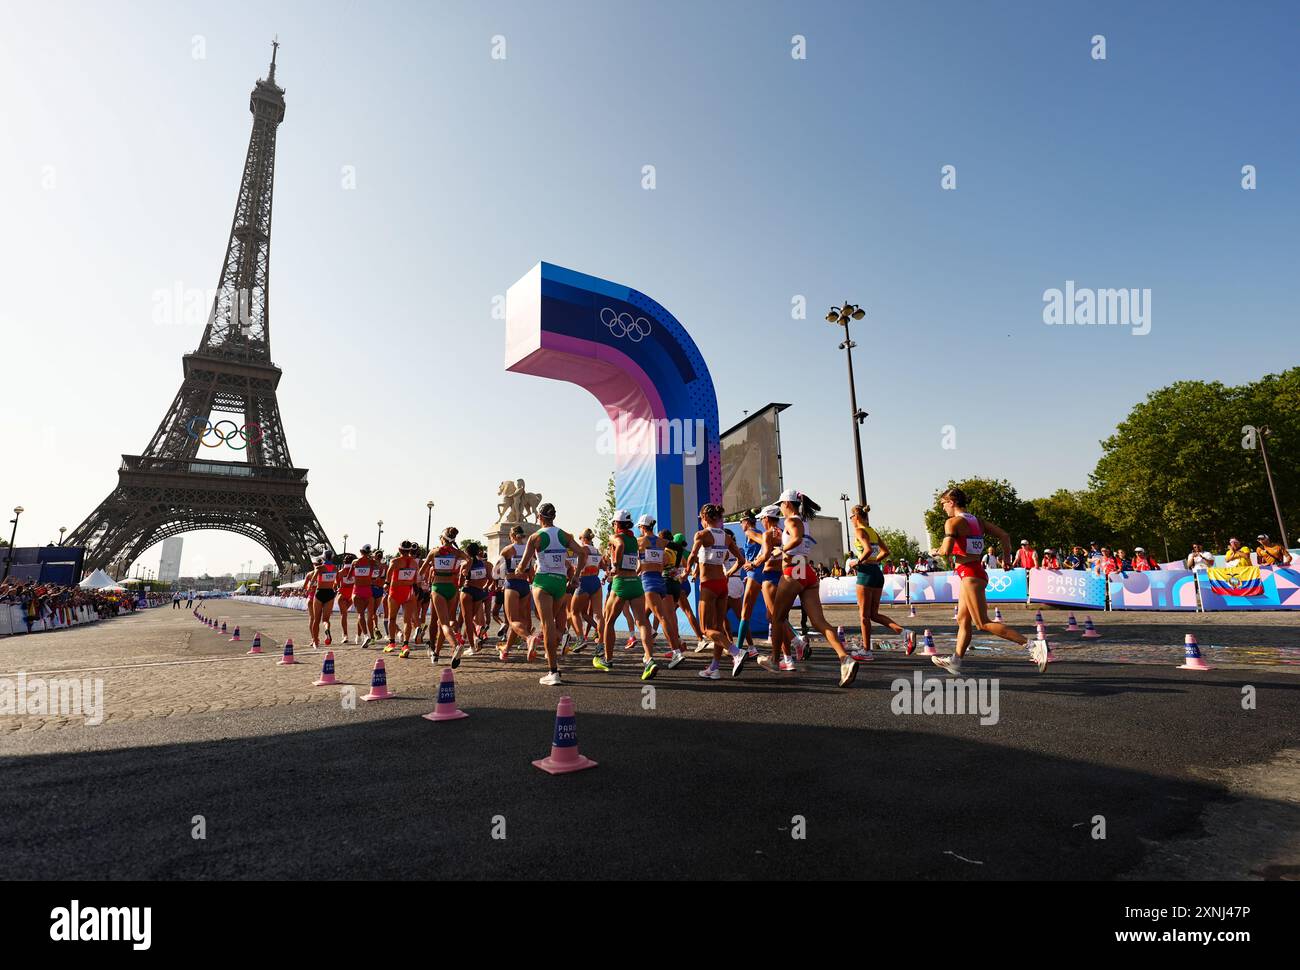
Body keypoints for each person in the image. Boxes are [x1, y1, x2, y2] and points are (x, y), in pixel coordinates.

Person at [931, 487, 1048, 675]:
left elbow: (946, 551)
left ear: (951, 502)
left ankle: (1032, 645)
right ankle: (956, 660)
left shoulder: (952, 523)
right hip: (973, 572)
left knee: (982, 623)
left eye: (943, 504)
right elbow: (1004, 536)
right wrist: (1007, 559)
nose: (943, 508)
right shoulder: (977, 520)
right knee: (963, 619)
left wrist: (935, 550)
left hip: (970, 574)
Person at [767, 490, 857, 686]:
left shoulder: (792, 521)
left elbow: (797, 539)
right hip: (806, 570)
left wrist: (780, 549)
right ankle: (844, 658)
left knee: (777, 617)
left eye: (781, 504)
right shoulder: (803, 521)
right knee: (819, 622)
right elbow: (798, 539)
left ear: (787, 504)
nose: (780, 508)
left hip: (794, 570)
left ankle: (774, 659)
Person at [516, 503, 588, 686]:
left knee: (547, 624)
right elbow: (582, 554)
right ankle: (554, 651)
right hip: (559, 583)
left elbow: (523, 564)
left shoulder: (535, 537)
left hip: (542, 582)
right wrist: (576, 577)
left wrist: (519, 569)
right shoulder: (565, 535)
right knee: (553, 624)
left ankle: (553, 671)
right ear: (553, 517)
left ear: (540, 517)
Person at [592, 510, 658, 680]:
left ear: (616, 524)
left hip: (621, 582)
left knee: (608, 621)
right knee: (642, 622)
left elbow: (619, 545)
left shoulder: (616, 537)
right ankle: (649, 659)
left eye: (613, 523)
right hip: (635, 582)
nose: (613, 526)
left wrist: (614, 565)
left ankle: (608, 659)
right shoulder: (634, 540)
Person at [684, 503, 746, 679]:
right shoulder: (726, 537)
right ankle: (715, 668)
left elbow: (691, 556)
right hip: (722, 585)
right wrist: (728, 573)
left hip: (709, 586)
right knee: (718, 628)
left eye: (701, 519)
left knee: (705, 629)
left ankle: (736, 652)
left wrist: (685, 573)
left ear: (705, 518)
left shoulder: (702, 534)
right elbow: (740, 560)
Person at [845, 503, 913, 662]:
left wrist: (857, 562)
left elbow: (867, 550)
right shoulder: (872, 531)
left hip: (866, 574)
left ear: (857, 516)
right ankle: (905, 633)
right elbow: (886, 551)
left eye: (851, 517)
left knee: (863, 616)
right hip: (877, 572)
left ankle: (866, 651)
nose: (851, 520)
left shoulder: (859, 531)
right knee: (873, 614)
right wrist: (875, 560)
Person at [636, 514, 685, 669]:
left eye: (639, 528)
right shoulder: (661, 541)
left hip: (649, 582)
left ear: (643, 527)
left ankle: (676, 652)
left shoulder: (639, 542)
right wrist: (676, 566)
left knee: (662, 617)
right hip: (660, 581)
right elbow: (679, 548)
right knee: (643, 617)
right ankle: (648, 652)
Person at [423, 529, 468, 665]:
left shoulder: (434, 552)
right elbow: (469, 559)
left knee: (443, 623)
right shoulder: (457, 553)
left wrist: (431, 570)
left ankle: (456, 646)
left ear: (442, 538)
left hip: (438, 587)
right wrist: (464, 572)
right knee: (443, 622)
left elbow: (421, 570)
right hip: (452, 588)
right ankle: (436, 652)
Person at [498, 525, 537, 663]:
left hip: (512, 585)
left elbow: (497, 571)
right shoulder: (529, 550)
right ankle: (507, 649)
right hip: (525, 586)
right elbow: (531, 572)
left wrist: (505, 576)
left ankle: (529, 638)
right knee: (518, 620)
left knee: (512, 620)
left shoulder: (507, 550)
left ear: (512, 536)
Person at [383, 542, 420, 652]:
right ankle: (405, 645)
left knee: (392, 618)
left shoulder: (395, 561)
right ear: (409, 550)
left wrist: (387, 583)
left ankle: (392, 643)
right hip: (408, 592)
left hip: (395, 592)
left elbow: (389, 574)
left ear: (399, 549)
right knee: (407, 620)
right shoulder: (414, 562)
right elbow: (414, 579)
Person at [305, 552, 338, 649]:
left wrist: (310, 588)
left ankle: (315, 641)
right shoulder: (335, 568)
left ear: (323, 557)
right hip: (330, 593)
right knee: (326, 620)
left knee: (316, 620)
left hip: (320, 593)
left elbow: (313, 581)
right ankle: (327, 629)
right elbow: (337, 582)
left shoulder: (320, 568)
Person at [351, 544, 376, 647]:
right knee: (369, 615)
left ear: (360, 551)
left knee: (360, 615)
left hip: (357, 590)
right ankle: (368, 634)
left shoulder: (355, 562)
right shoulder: (372, 562)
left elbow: (349, 575)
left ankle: (366, 635)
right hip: (368, 590)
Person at [336, 553, 357, 644]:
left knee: (343, 615)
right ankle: (360, 635)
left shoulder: (341, 572)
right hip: (353, 595)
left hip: (343, 595)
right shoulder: (355, 571)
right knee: (360, 615)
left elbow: (336, 585)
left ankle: (345, 635)